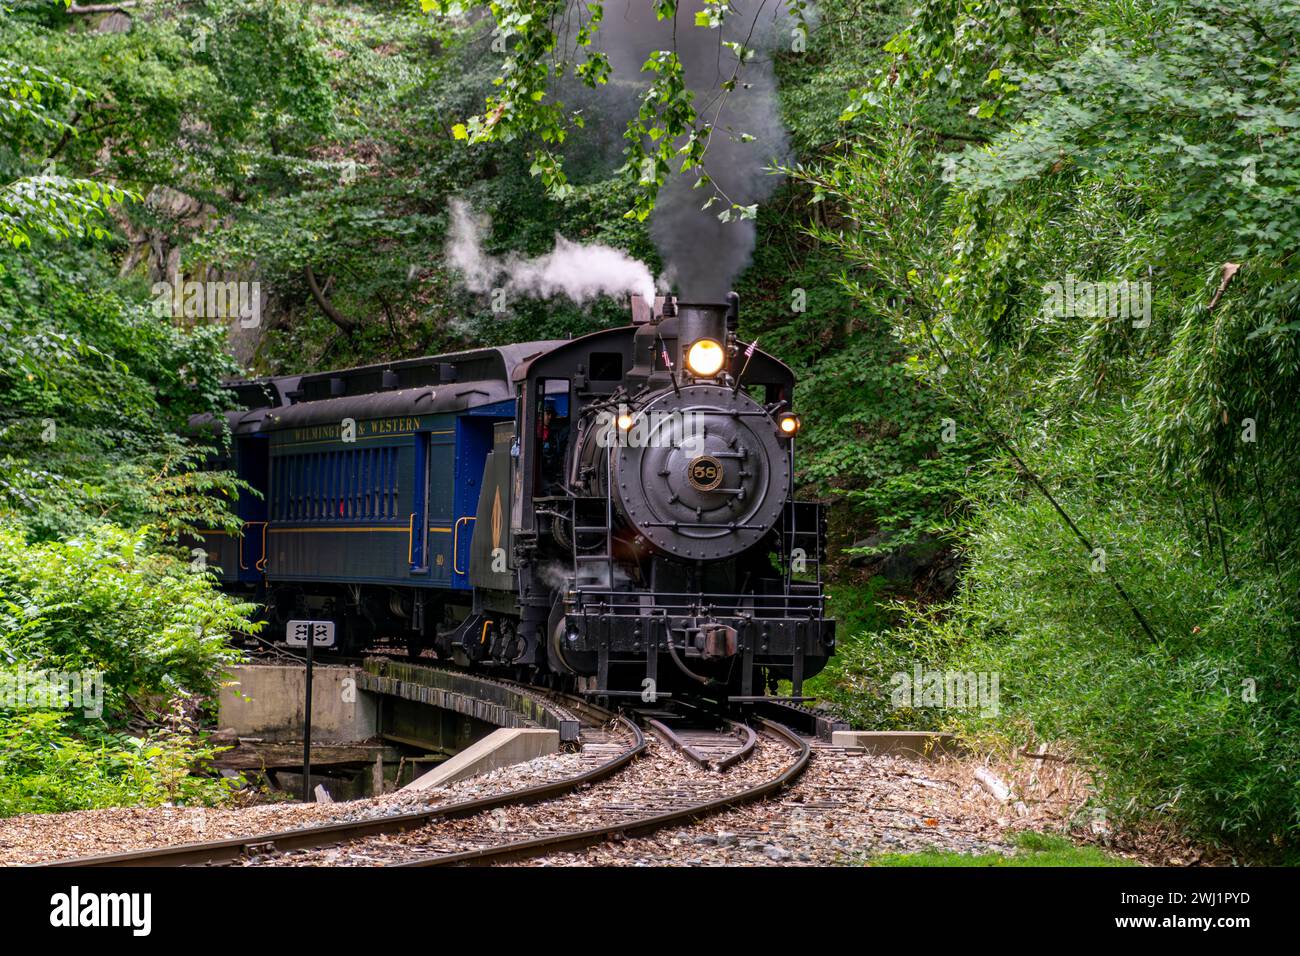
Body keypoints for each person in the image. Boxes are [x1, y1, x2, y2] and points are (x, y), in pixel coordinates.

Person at [539, 400, 569, 495]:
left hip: (551, 471)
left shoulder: (554, 434)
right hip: (541, 471)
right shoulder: (534, 432)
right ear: (540, 415)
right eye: (547, 414)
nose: (550, 417)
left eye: (551, 414)